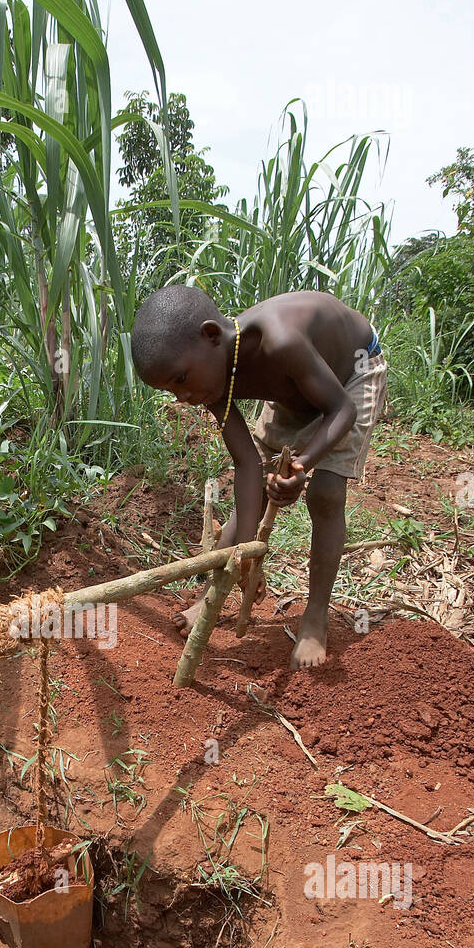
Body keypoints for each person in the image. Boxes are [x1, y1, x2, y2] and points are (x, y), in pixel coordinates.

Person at [131, 285, 388, 668]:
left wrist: (302, 467)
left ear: (212, 336)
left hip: (351, 375)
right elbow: (247, 464)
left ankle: (315, 618)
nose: (181, 398)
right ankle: (210, 597)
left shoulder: (279, 341)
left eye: (180, 380)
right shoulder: (212, 380)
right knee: (260, 488)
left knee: (326, 493)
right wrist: (244, 556)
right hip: (292, 392)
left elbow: (341, 410)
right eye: (170, 390)